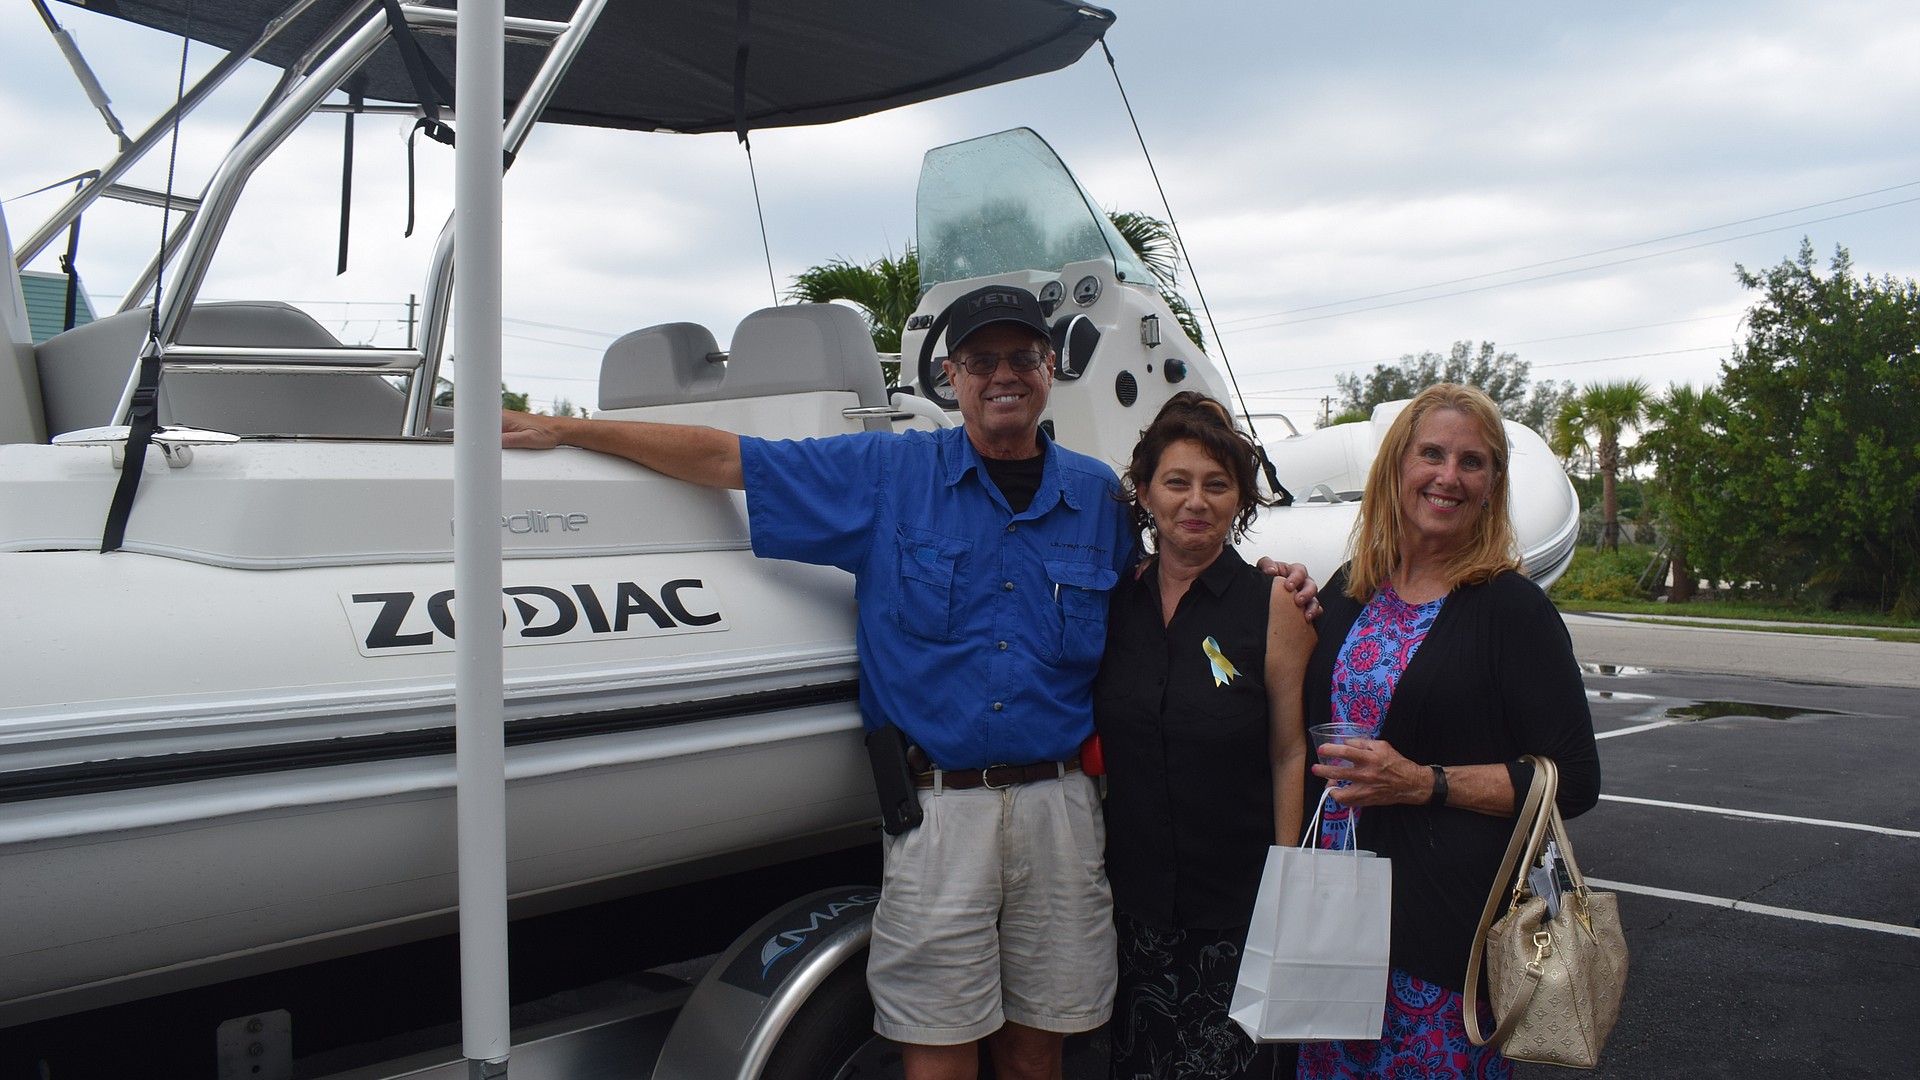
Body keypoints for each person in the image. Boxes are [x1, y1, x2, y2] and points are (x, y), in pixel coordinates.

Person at [501, 285, 1316, 1080]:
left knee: (1043, 1049)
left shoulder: (1097, 497)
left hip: (1061, 813)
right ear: (951, 378)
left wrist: (1273, 583)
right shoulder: (887, 472)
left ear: (1046, 373)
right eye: (981, 359)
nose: (1005, 374)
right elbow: (729, 459)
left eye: (1024, 357)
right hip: (938, 815)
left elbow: (1175, 568)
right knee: (937, 1047)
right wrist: (567, 429)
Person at [1294, 383, 1600, 1080]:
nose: (1448, 476)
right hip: (1334, 918)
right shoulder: (1353, 587)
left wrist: (1423, 783)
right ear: (1397, 466)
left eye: (1472, 462)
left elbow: (1576, 780)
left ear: (1493, 485)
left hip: (1442, 935)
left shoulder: (1509, 609)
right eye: (1431, 454)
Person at [1096, 392, 1315, 1080]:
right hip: (1135, 912)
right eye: (1178, 482)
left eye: (1217, 485)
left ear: (1239, 499)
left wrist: (1287, 885)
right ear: (1145, 493)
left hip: (1238, 910)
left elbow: (1290, 752)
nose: (1197, 500)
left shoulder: (1272, 604)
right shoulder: (1115, 604)